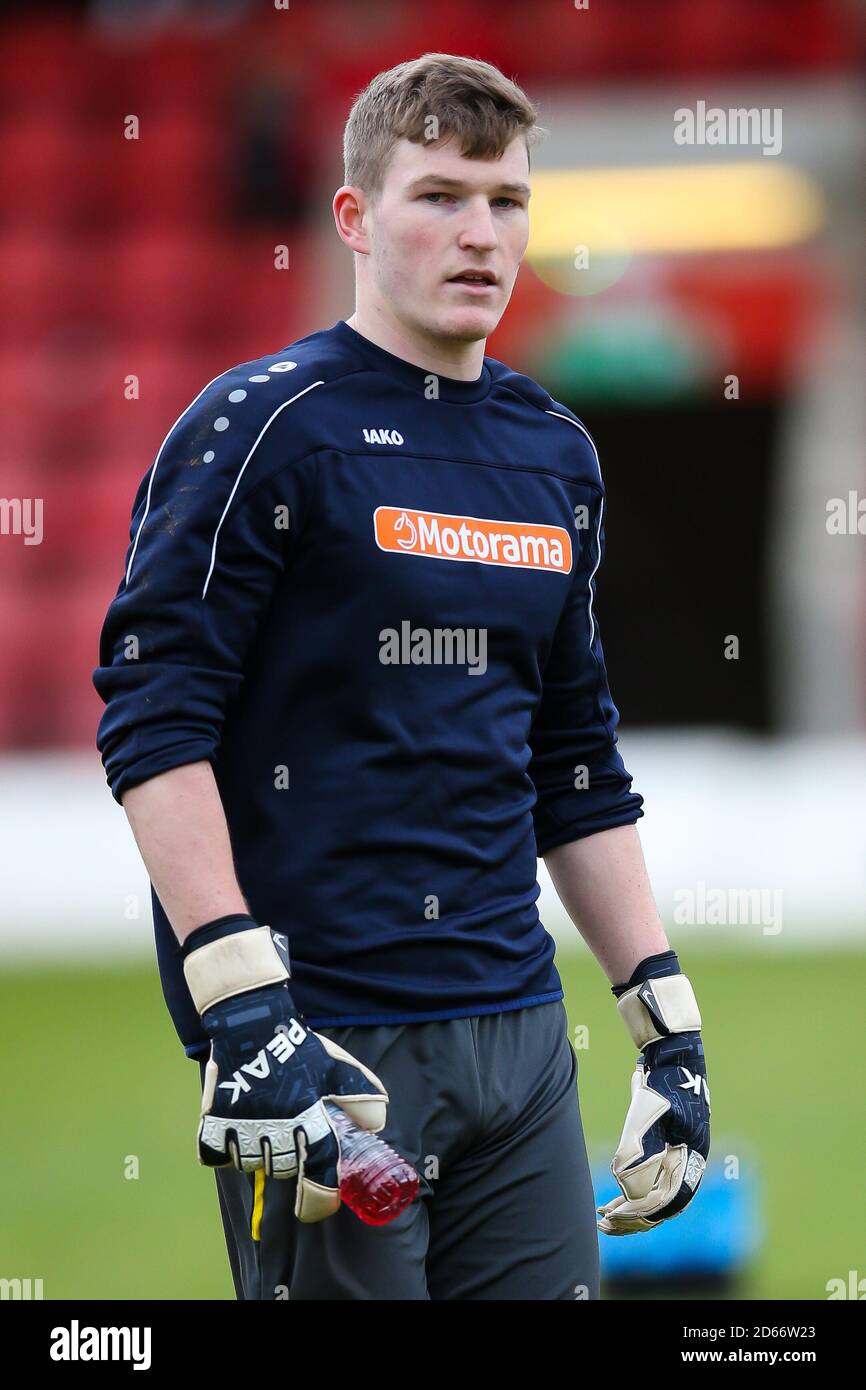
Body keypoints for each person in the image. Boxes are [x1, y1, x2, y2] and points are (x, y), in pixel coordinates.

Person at [93, 52, 710, 1301]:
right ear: (355, 219)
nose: (480, 233)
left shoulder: (553, 453)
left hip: (521, 1037)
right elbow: (155, 718)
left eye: (506, 200)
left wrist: (665, 1023)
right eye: (438, 196)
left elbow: (574, 760)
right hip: (325, 1043)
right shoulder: (259, 425)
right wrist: (237, 1003)